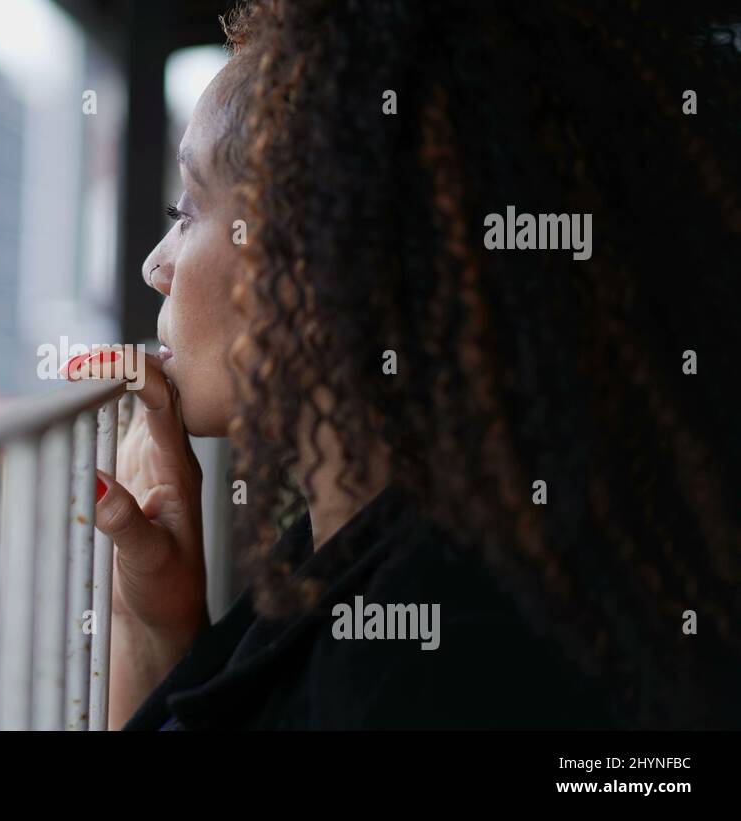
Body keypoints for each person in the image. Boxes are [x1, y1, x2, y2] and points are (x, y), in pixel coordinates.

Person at [66, 0, 741, 730]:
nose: (154, 265)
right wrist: (153, 623)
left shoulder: (423, 666)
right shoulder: (378, 556)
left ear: (321, 253)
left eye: (188, 209)